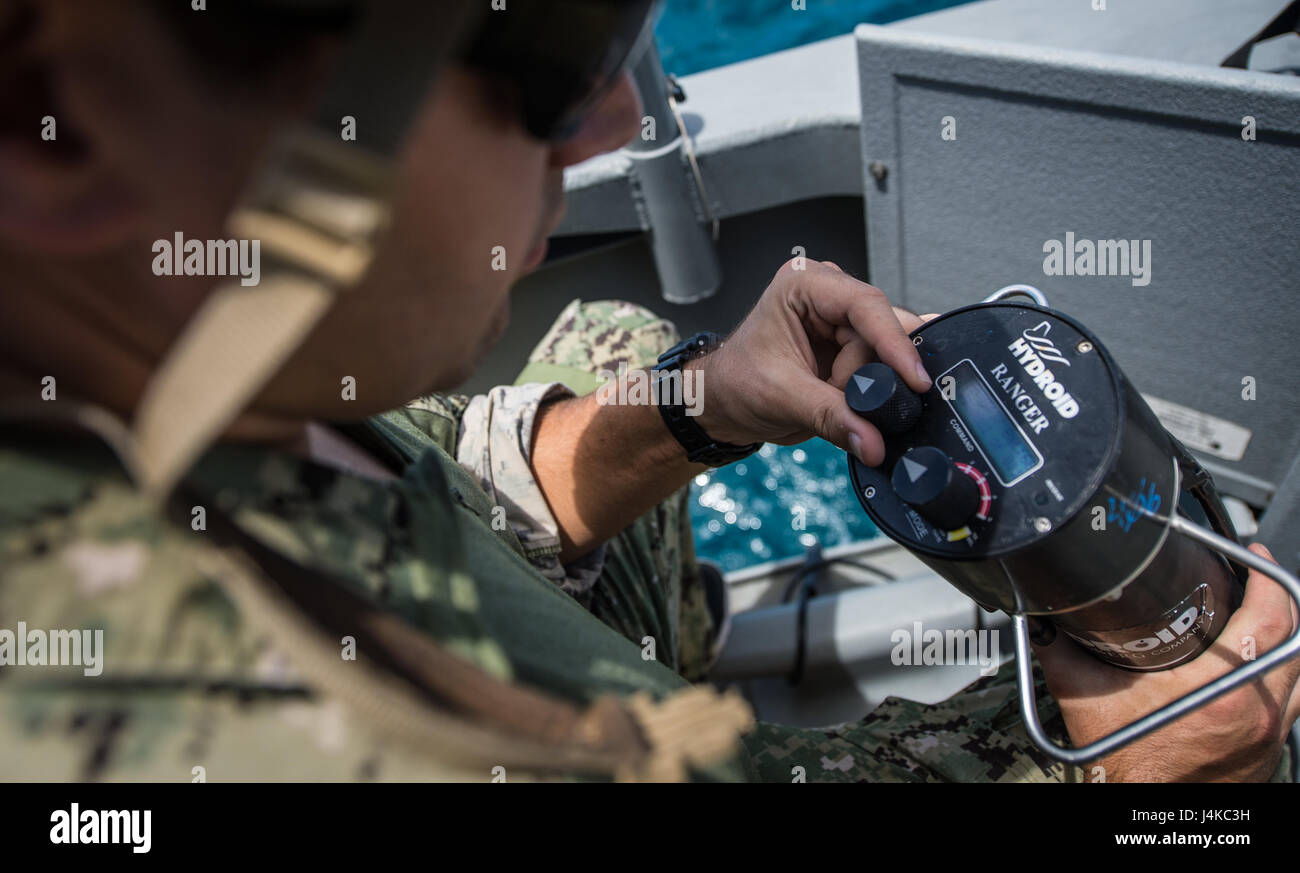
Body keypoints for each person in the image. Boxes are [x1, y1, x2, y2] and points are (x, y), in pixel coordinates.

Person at [0, 0, 1295, 783]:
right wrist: (1114, 764)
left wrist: (709, 404)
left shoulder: (171, 365)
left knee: (628, 337)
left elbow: (454, 472)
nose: (617, 118)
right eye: (550, 51)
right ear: (57, 109)